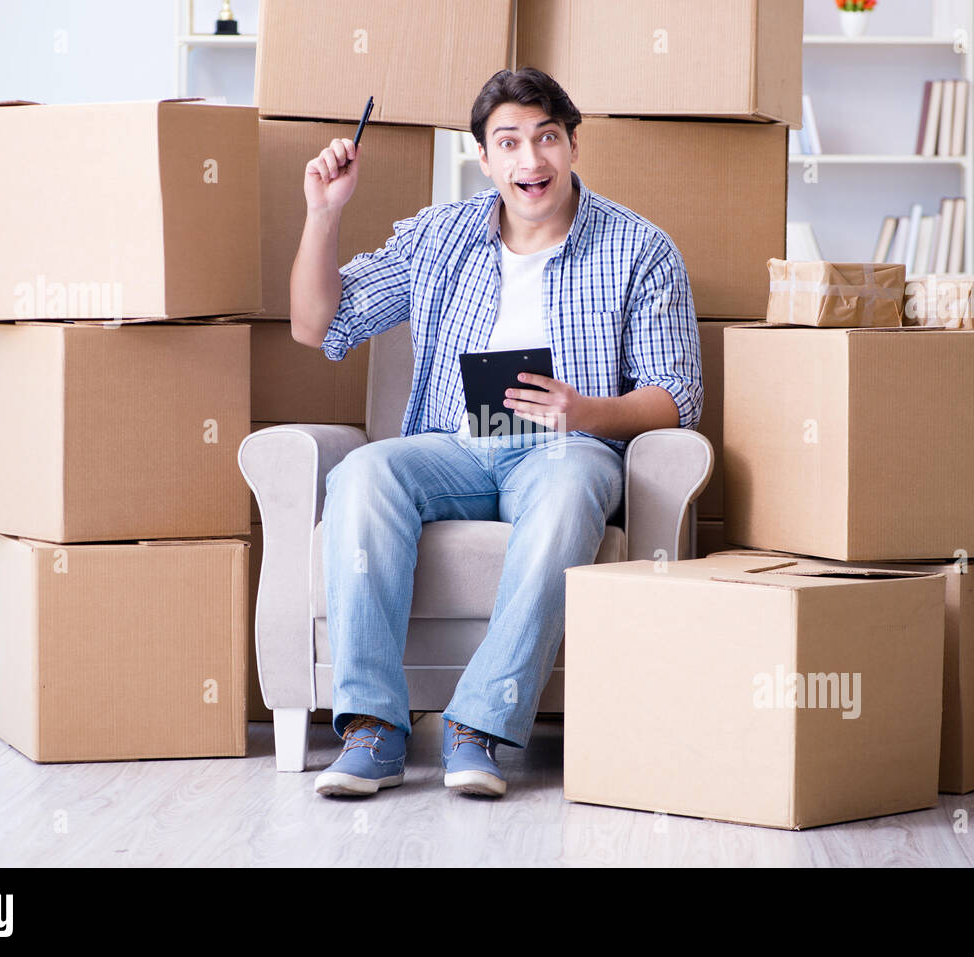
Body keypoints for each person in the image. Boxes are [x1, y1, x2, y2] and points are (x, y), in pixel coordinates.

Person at [287, 67, 702, 799]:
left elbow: (677, 395)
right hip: (455, 444)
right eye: (508, 142)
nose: (530, 160)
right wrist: (324, 213)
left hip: (566, 450)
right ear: (483, 156)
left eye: (547, 138)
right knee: (363, 471)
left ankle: (477, 726)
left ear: (573, 145)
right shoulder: (439, 235)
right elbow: (317, 325)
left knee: (571, 487)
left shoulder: (641, 248)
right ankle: (373, 730)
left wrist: (582, 410)